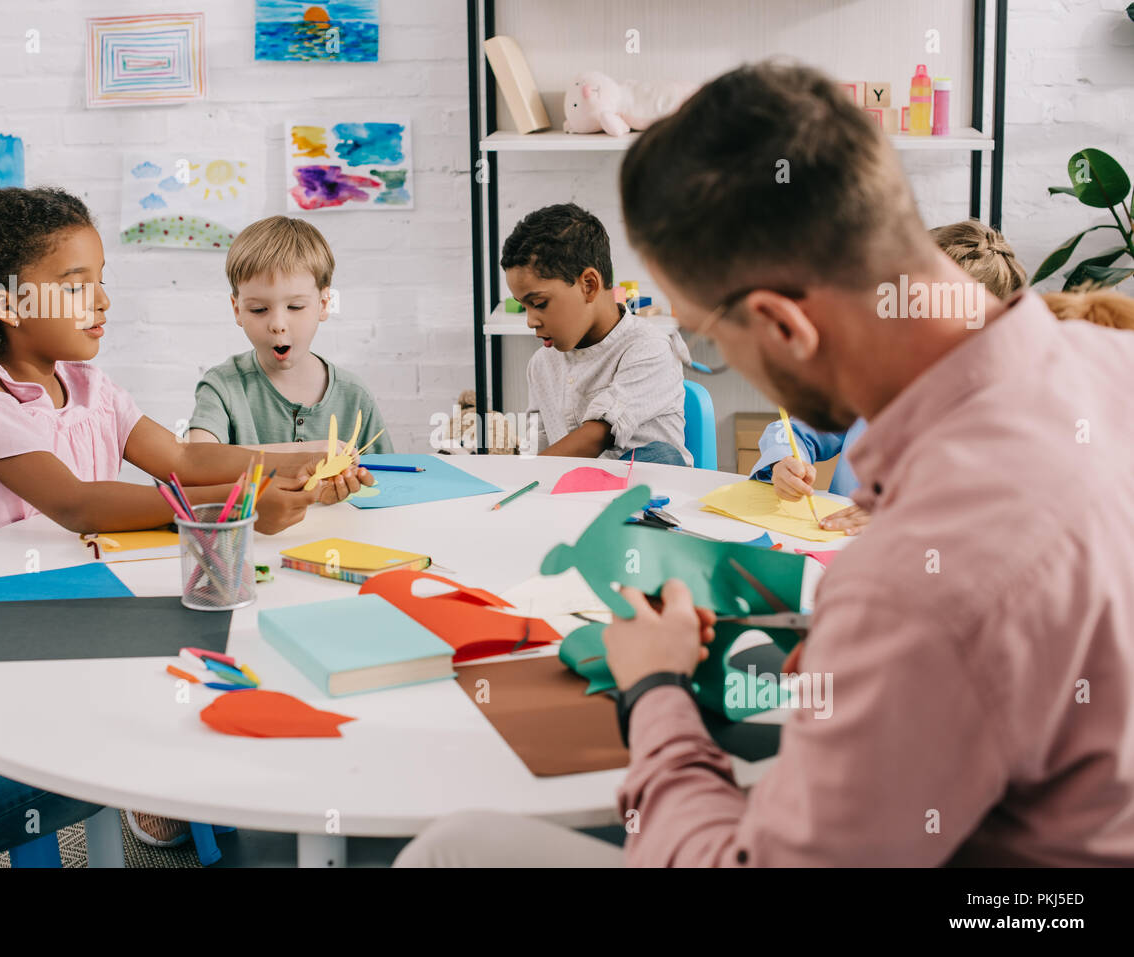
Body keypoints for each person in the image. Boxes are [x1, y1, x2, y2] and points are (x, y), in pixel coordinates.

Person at [396, 61, 1134, 867]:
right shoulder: (1108, 360)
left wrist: (656, 691)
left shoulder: (915, 583)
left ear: (783, 326)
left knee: (453, 848)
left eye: (708, 331)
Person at [0, 187, 371, 865]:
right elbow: (79, 504)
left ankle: (189, 807)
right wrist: (240, 498)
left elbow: (178, 456)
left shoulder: (90, 386)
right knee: (84, 763)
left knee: (224, 661)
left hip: (73, 607)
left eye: (100, 280)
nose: (101, 299)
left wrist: (298, 458)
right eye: (74, 283)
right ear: (6, 302)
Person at [751, 219, 1029, 536]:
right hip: (833, 548)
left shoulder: (1001, 416)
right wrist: (786, 461)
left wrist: (903, 516)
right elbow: (799, 429)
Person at [502, 203, 692, 466]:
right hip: (572, 497)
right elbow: (540, 445)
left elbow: (597, 435)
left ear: (588, 285)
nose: (530, 320)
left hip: (647, 497)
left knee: (660, 456)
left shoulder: (651, 348)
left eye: (540, 303)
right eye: (524, 306)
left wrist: (525, 474)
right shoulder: (540, 365)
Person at [186, 216, 394, 453]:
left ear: (324, 304)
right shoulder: (223, 386)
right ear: (238, 310)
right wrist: (304, 453)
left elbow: (389, 480)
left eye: (295, 307)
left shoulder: (354, 396)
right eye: (259, 310)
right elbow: (200, 459)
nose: (277, 324)